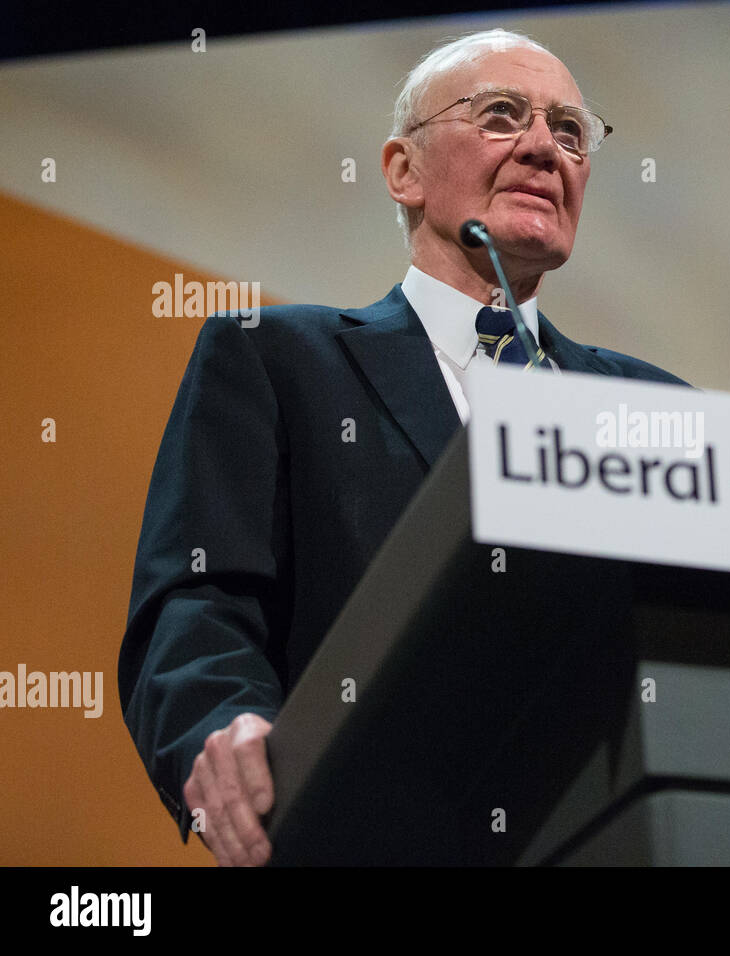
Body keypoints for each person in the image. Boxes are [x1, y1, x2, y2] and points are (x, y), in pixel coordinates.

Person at [118, 28, 689, 867]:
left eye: (571, 132)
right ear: (403, 171)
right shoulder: (278, 362)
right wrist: (223, 727)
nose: (544, 147)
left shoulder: (655, 408)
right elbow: (198, 604)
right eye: (502, 115)